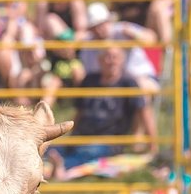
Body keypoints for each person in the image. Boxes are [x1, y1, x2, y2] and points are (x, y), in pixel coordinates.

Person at [50, 43, 156, 179]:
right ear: (99, 61)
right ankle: (60, 165)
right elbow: (79, 112)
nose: (111, 61)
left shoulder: (128, 83)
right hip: (82, 135)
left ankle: (62, 170)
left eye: (115, 57)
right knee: (52, 148)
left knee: (89, 151)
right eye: (107, 57)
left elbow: (145, 112)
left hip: (109, 140)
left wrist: (153, 145)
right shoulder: (89, 80)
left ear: (122, 60)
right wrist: (71, 136)